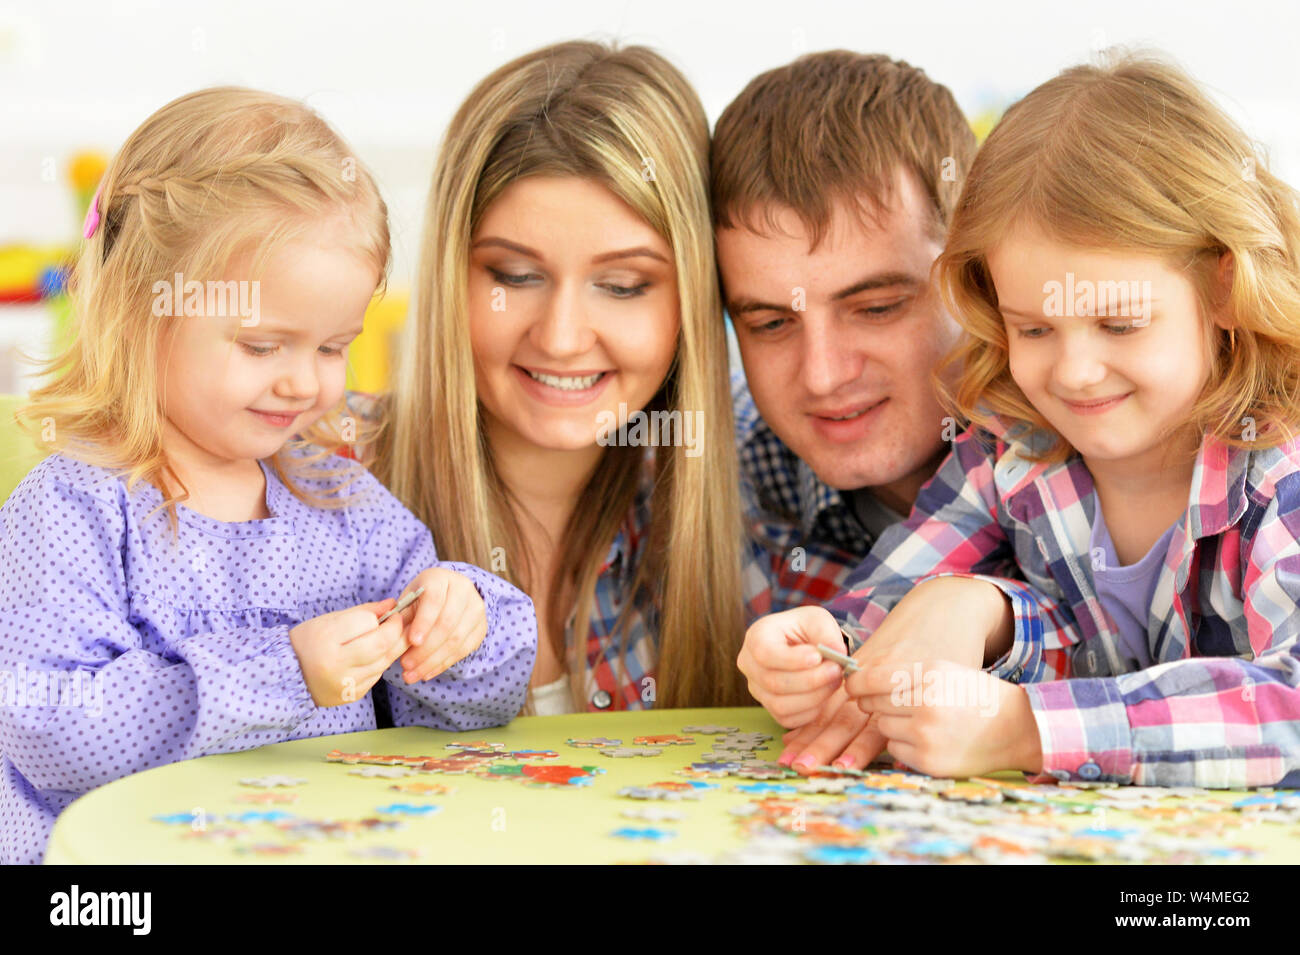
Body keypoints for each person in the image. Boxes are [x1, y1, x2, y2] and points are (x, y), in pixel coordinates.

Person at [0, 87, 536, 864]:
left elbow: (462, 710)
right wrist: (283, 671)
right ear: (139, 313)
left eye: (331, 346)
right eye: (262, 346)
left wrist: (462, 623)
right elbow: (50, 729)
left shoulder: (341, 499)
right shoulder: (72, 506)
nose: (304, 384)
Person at [744, 53, 1300, 787]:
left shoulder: (1277, 472)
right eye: (1034, 329)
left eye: (1119, 323)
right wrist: (822, 647)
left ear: (1223, 286)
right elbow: (896, 598)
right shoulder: (1010, 452)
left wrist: (1021, 729)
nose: (1072, 372)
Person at [365, 40, 854, 715]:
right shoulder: (308, 488)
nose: (562, 337)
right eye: (513, 275)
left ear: (694, 294)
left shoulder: (769, 489)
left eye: (623, 286)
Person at [715, 51, 977, 766]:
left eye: (877, 306)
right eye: (770, 324)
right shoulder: (726, 473)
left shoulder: (1094, 459)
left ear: (977, 276)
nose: (825, 375)